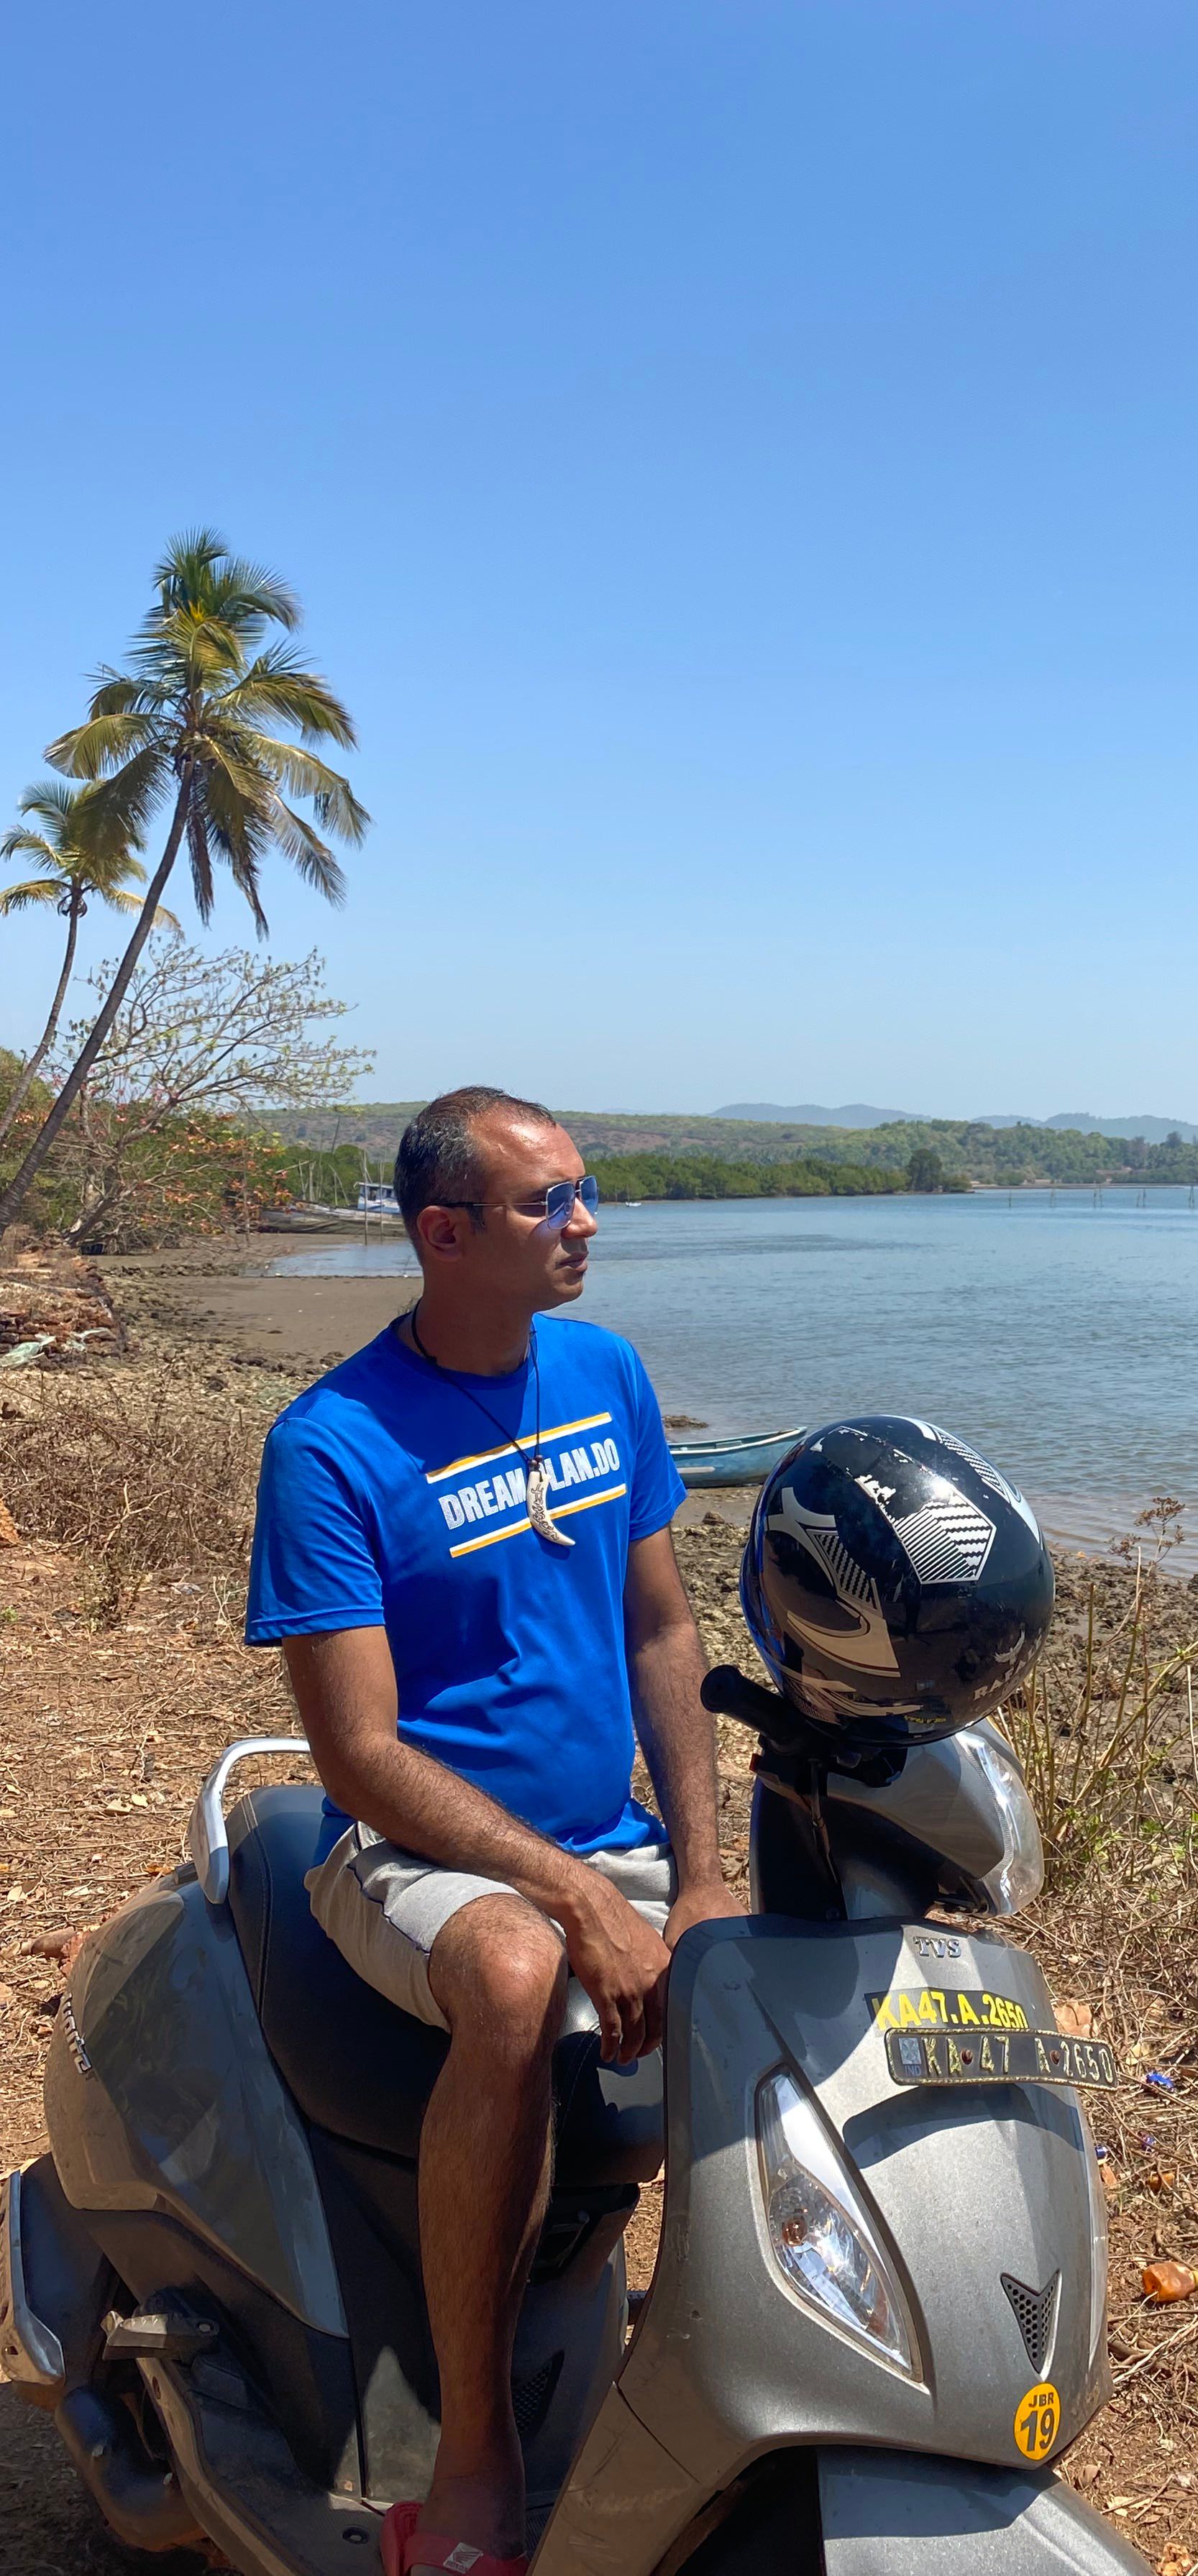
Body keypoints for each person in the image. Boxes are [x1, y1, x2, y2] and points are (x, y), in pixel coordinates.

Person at [246, 1086, 733, 2576]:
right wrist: (574, 1893)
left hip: (606, 1830)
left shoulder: (605, 1373)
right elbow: (361, 1753)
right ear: (443, 1234)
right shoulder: (329, 1445)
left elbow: (661, 1630)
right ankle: (473, 2451)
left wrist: (706, 1877)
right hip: (407, 1854)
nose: (586, 1224)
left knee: (793, 1971)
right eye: (548, 1204)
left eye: (585, 1193)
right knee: (519, 1972)